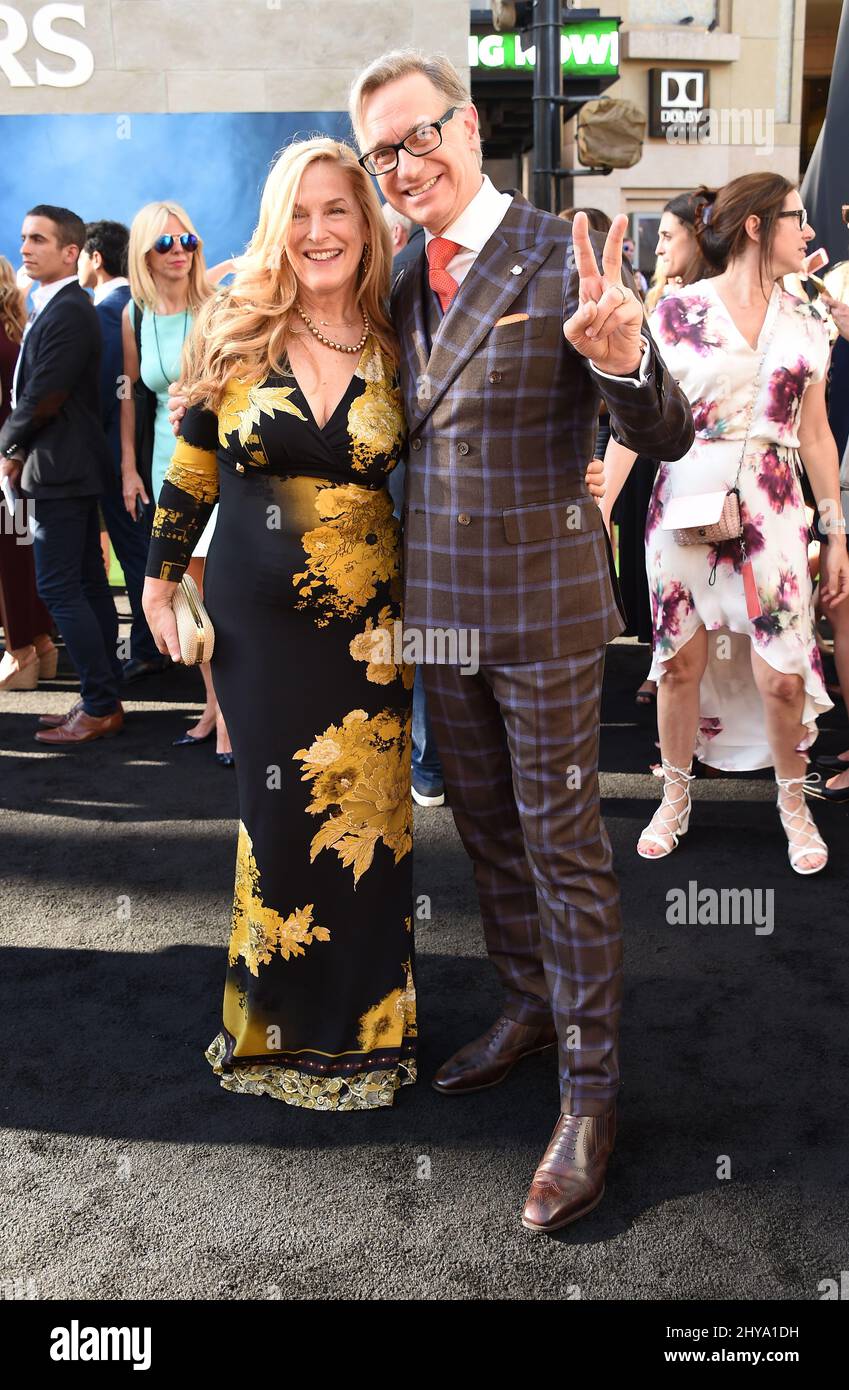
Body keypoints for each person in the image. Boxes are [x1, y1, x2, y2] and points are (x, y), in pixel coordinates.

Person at [351, 49, 694, 1231]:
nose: (403, 166)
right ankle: (526, 1003)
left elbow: (669, 428)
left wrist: (625, 362)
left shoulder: (566, 249)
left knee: (563, 849)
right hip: (440, 610)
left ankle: (591, 1099)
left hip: (543, 612)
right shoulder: (399, 278)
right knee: (488, 835)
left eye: (417, 136)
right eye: (381, 151)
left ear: (469, 126)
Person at [143, 138, 415, 1111]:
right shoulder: (239, 326)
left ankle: (372, 1031)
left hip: (374, 631)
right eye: (298, 215)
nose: (317, 232)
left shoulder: (399, 335)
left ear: (364, 222)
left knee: (371, 822)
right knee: (280, 823)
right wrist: (160, 578)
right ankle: (273, 1028)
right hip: (258, 626)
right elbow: (193, 463)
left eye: (337, 210)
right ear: (277, 228)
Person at [602, 173, 849, 870]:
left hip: (774, 512)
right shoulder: (677, 310)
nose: (808, 233)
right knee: (677, 665)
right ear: (754, 226)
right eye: (796, 220)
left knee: (783, 674)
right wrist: (597, 508)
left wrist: (832, 533)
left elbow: (818, 434)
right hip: (682, 504)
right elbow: (634, 423)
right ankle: (674, 796)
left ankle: (791, 802)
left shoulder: (808, 320)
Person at [0, 206, 123, 744]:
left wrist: (8, 446)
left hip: (60, 473)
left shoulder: (70, 309)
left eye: (38, 240)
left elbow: (44, 394)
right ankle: (102, 696)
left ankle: (100, 704)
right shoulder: (58, 304)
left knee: (59, 587)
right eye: (24, 238)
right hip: (64, 470)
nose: (25, 247)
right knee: (87, 584)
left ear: (71, 252)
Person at [120, 202, 232, 762]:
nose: (179, 252)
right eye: (165, 244)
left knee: (221, 597)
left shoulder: (217, 306)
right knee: (188, 596)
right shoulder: (134, 314)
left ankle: (230, 718)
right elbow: (132, 397)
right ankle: (213, 707)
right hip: (166, 468)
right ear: (144, 254)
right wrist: (128, 467)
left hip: (213, 467)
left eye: (186, 240)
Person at [607, 191, 715, 704]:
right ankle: (661, 662)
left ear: (699, 238)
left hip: (714, 467)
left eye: (668, 237)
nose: (659, 250)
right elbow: (637, 397)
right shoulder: (664, 306)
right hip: (662, 462)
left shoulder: (714, 307)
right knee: (669, 580)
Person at [77, 220, 164, 682]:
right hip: (141, 452)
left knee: (134, 551)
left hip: (123, 456)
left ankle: (150, 647)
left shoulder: (111, 313)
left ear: (94, 258)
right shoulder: (138, 306)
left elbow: (115, 393)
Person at [0, 254, 58, 691]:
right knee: (21, 558)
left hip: (6, 468)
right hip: (20, 468)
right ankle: (40, 646)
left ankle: (21, 653)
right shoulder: (17, 334)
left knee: (10, 564)